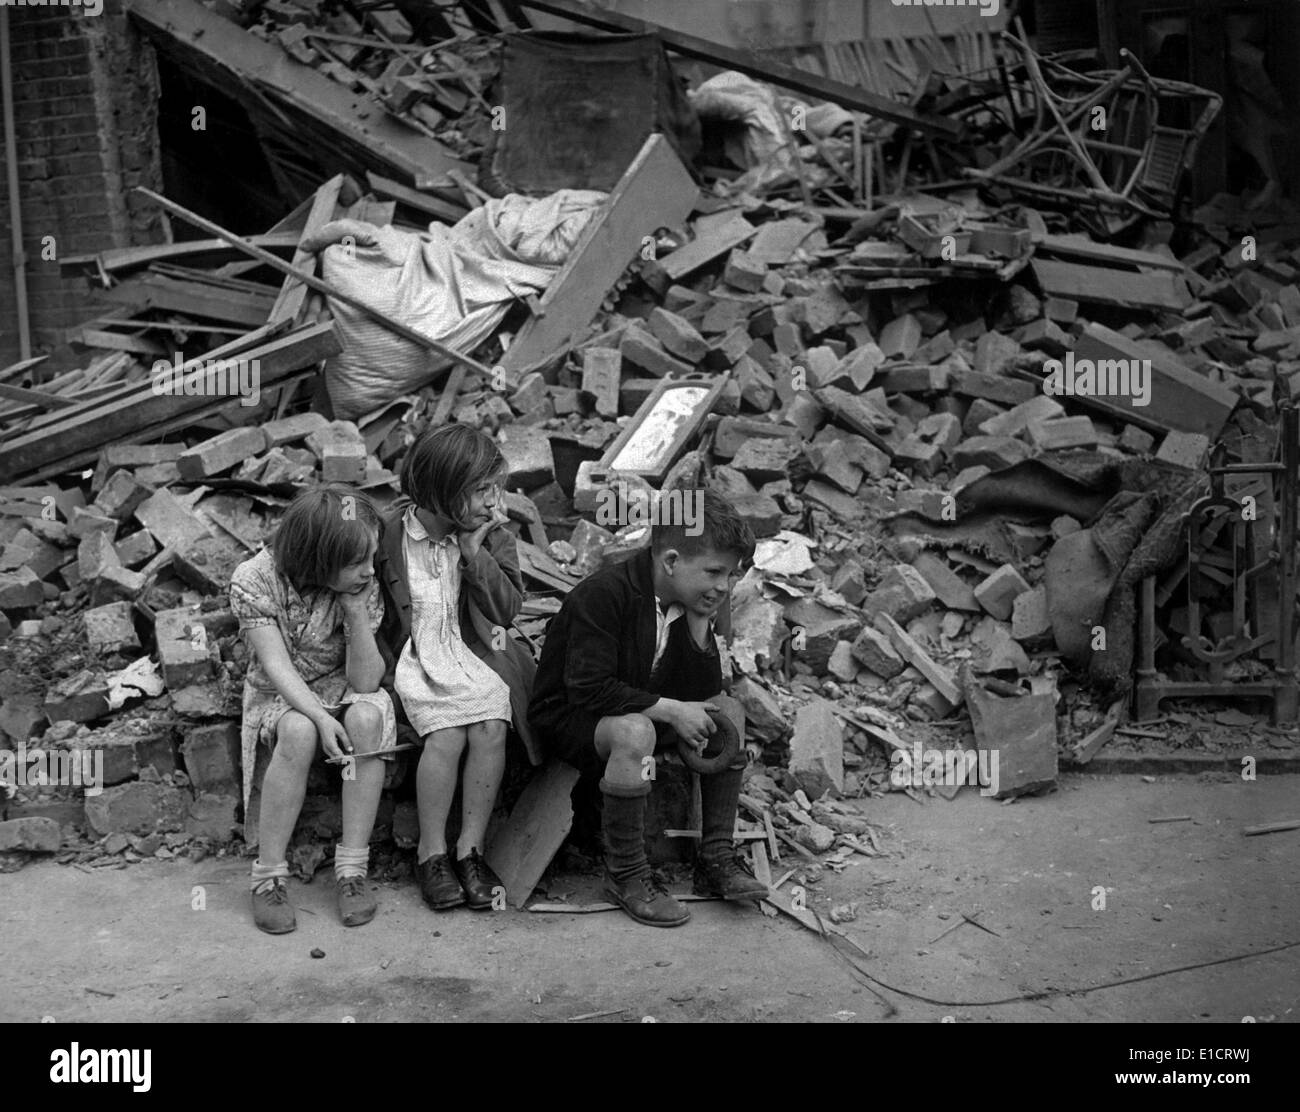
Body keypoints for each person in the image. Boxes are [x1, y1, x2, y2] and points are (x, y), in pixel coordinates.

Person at [528, 488, 765, 927]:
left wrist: (698, 629)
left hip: (642, 708)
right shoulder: (604, 595)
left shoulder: (689, 599)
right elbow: (588, 689)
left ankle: (714, 856)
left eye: (731, 575)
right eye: (714, 572)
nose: (724, 586)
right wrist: (672, 711)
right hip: (576, 720)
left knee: (727, 710)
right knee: (637, 731)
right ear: (671, 561)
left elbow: (704, 691)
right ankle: (627, 875)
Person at [375, 424, 535, 912]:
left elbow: (508, 611)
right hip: (413, 657)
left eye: (496, 490)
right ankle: (431, 854)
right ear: (442, 488)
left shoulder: (494, 537)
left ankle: (471, 850)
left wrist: (474, 555)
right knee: (446, 733)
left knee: (490, 722)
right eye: (481, 491)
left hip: (468, 652)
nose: (493, 503)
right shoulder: (387, 533)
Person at [230, 486, 397, 934]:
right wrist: (322, 718)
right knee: (301, 730)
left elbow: (365, 681)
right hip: (280, 690)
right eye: (355, 563)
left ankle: (352, 869)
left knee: (367, 718)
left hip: (342, 682)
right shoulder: (254, 578)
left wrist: (357, 613)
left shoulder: (360, 585)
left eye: (371, 560)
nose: (368, 571)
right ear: (319, 557)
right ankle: (267, 875)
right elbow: (275, 666)